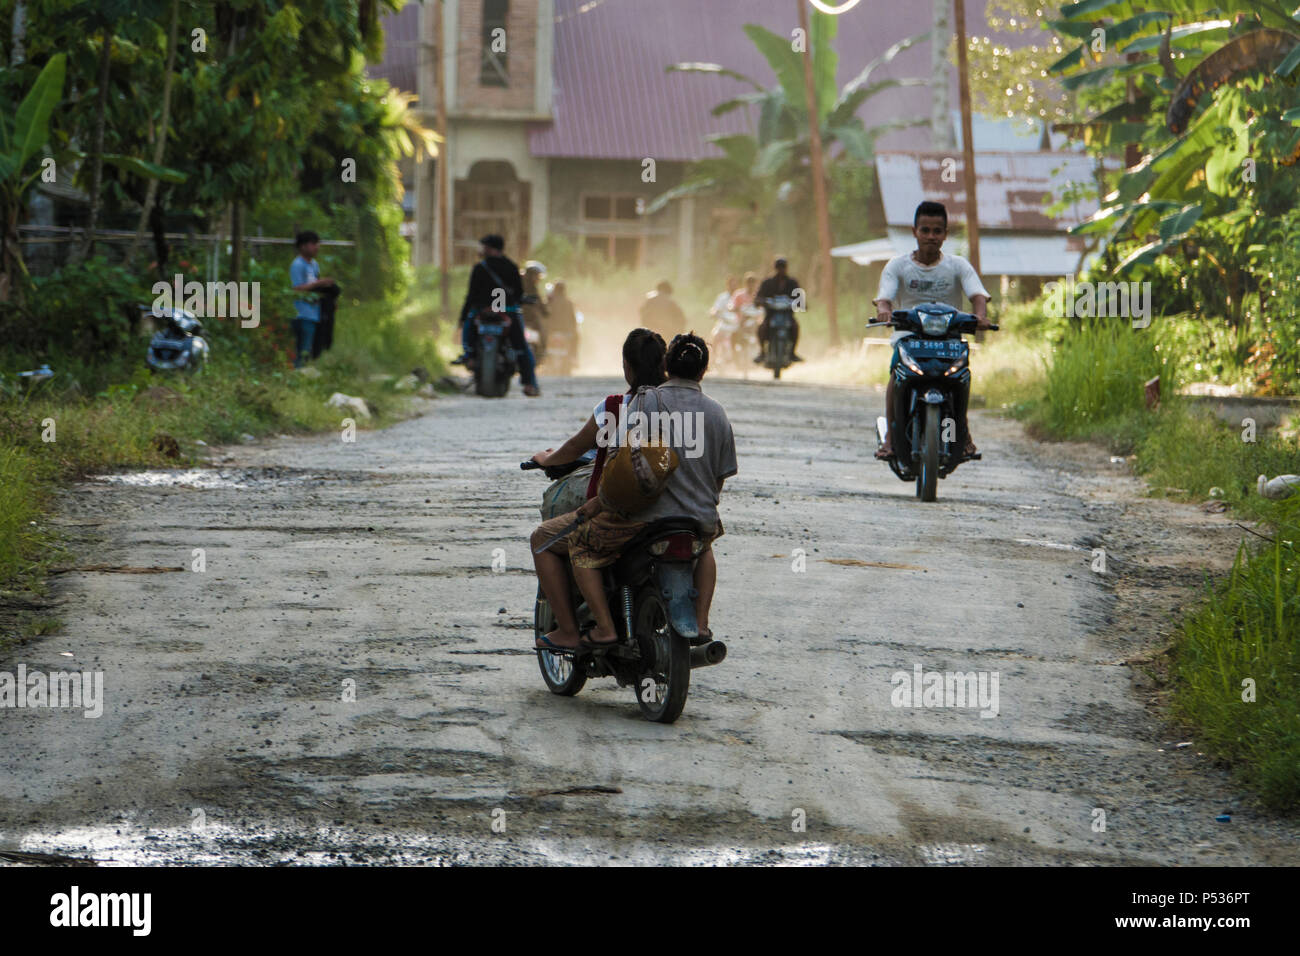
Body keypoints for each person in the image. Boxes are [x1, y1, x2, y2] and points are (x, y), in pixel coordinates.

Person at [529, 331, 737, 649]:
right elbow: (720, 477)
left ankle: (596, 629)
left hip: (641, 519)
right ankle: (702, 623)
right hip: (698, 520)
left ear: (668, 364)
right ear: (703, 371)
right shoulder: (717, 413)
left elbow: (620, 467)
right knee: (705, 546)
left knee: (566, 543)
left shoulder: (644, 402)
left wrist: (596, 506)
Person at [873, 200, 991, 459]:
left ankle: (963, 434)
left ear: (945, 235)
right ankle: (891, 440)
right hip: (909, 338)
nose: (930, 236)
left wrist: (980, 317)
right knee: (897, 377)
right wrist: (884, 310)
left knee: (961, 381)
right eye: (925, 230)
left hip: (949, 339)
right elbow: (884, 297)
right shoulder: (898, 266)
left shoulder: (958, 265)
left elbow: (978, 295)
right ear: (914, 231)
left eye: (937, 231)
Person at [455, 234, 541, 397]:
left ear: (490, 248)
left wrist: (462, 318)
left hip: (482, 312)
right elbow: (518, 293)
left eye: (484, 247)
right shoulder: (512, 267)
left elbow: (471, 295)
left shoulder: (480, 268)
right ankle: (530, 383)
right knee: (522, 347)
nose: (481, 250)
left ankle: (469, 355)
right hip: (507, 312)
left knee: (468, 329)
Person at [289, 231, 336, 368]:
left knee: (312, 350)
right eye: (313, 244)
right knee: (302, 350)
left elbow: (315, 285)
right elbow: (296, 289)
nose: (317, 247)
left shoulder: (314, 265)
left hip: (315, 313)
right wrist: (318, 283)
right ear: (303, 246)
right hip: (301, 313)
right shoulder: (297, 265)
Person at [754, 256, 804, 363]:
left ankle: (792, 353)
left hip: (787, 316)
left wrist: (801, 303)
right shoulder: (767, 282)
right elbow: (759, 296)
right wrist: (761, 301)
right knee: (761, 328)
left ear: (786, 268)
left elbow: (800, 297)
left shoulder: (792, 283)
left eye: (783, 267)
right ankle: (762, 352)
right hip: (770, 315)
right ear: (775, 268)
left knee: (795, 327)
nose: (781, 270)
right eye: (779, 267)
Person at [521, 260, 548, 354]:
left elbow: (540, 303)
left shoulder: (533, 288)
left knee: (542, 331)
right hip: (519, 317)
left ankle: (541, 353)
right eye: (537, 276)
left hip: (529, 320)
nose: (538, 279)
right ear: (531, 274)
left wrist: (545, 311)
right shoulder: (519, 283)